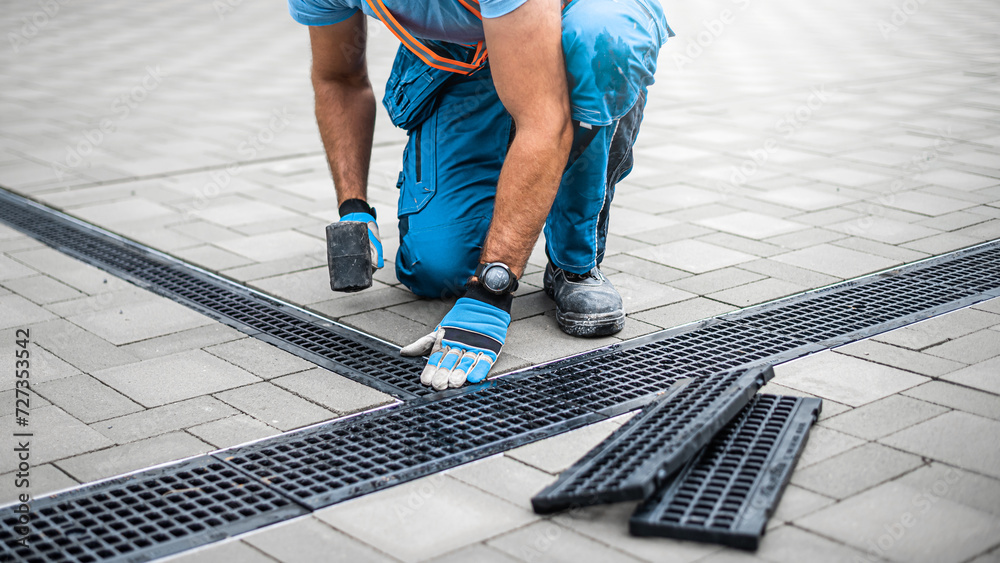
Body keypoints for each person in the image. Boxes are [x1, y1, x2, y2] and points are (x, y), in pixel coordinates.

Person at [289, 0, 672, 391]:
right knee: (435, 269)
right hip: (463, 58)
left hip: (569, 24)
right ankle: (512, 153)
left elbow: (545, 122)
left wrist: (492, 289)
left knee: (602, 41)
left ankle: (573, 261)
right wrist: (353, 207)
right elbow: (339, 78)